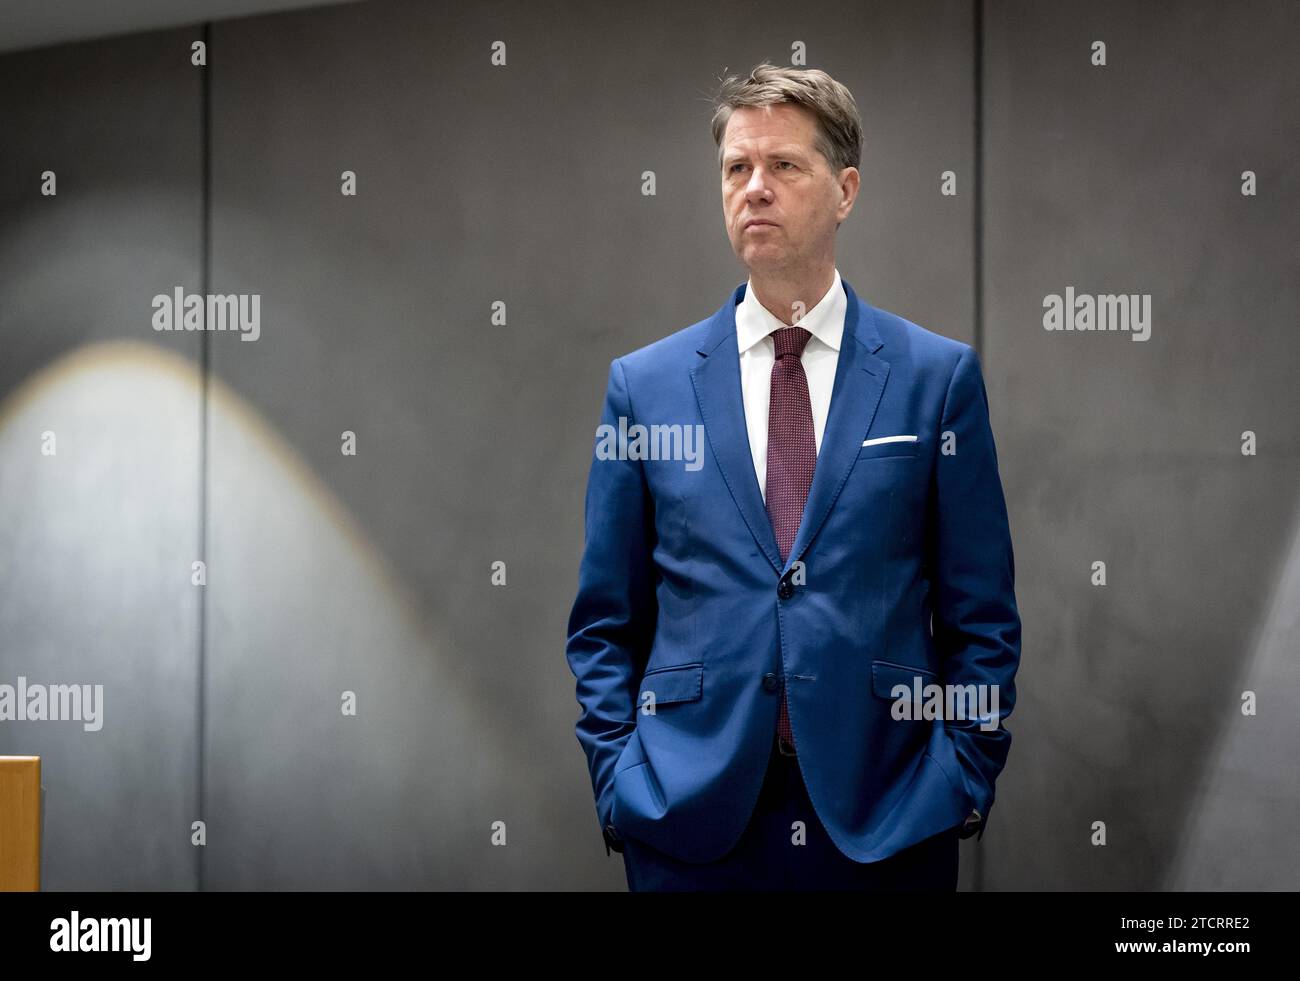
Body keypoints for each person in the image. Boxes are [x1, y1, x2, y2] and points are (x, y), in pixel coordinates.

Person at [566, 61, 1021, 890]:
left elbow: (981, 617)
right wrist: (617, 780)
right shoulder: (646, 386)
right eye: (737, 168)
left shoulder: (935, 377)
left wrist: (961, 778)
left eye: (784, 166)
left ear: (845, 189)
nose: (755, 188)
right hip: (688, 823)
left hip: (886, 820)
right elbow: (605, 619)